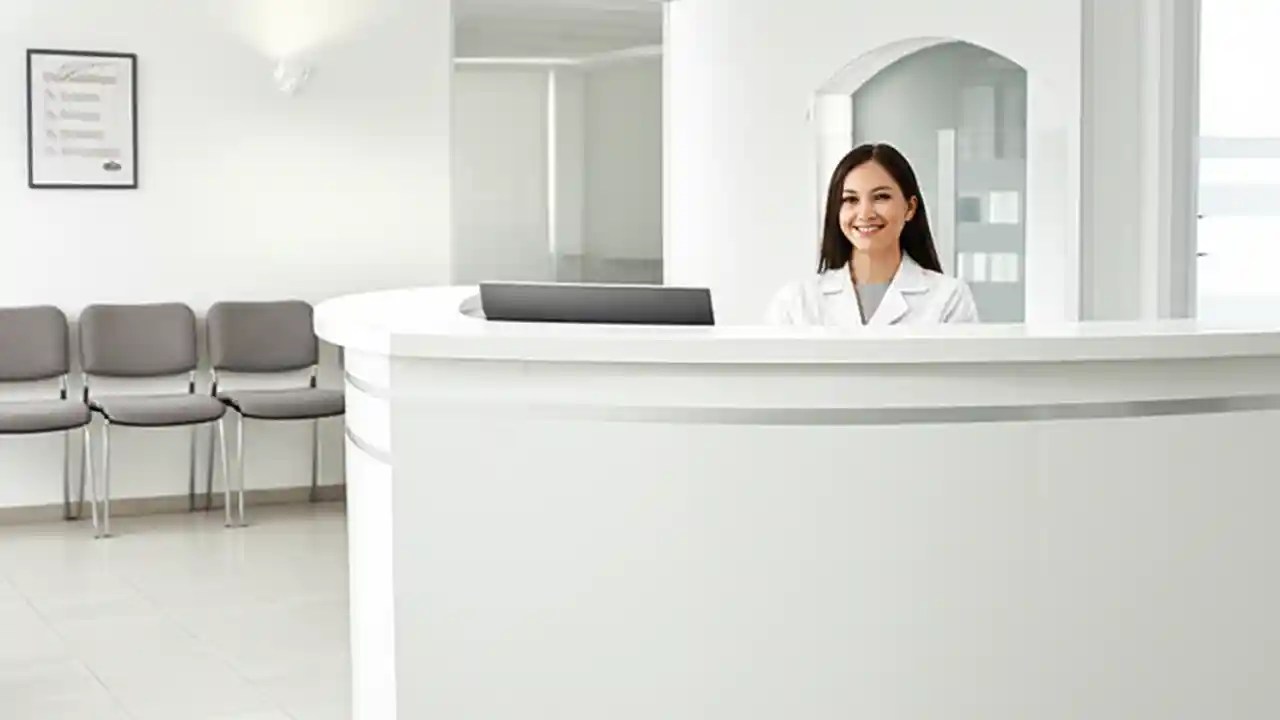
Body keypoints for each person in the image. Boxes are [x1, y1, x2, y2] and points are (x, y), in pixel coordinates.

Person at [766, 143, 979, 326]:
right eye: (851, 200)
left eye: (881, 197)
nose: (865, 213)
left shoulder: (949, 299)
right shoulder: (797, 302)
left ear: (910, 208)